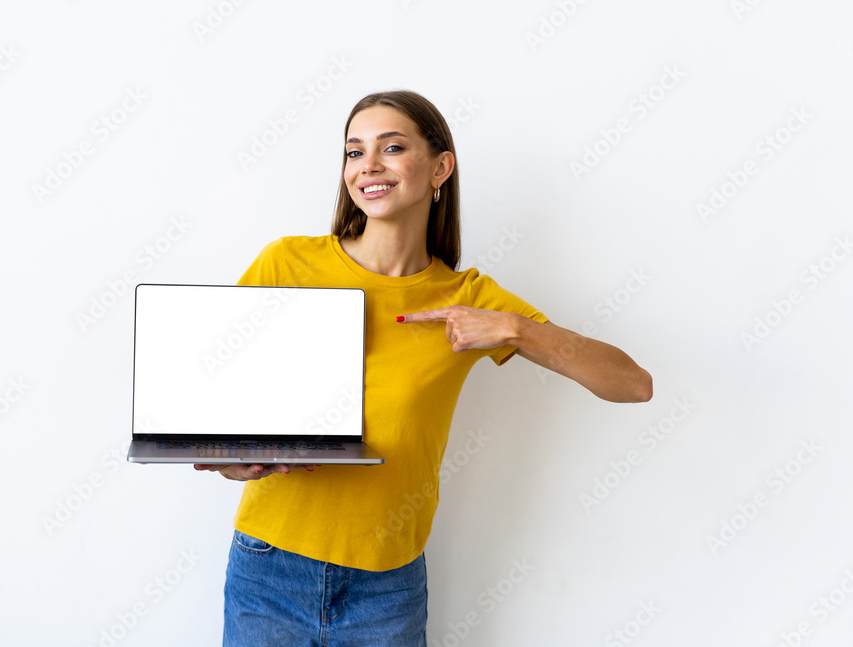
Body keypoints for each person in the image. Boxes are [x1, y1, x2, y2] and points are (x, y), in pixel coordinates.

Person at [195, 90, 652, 646]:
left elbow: (632, 384)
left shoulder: (467, 297)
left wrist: (514, 329)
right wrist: (230, 463)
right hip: (269, 567)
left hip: (387, 588)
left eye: (391, 147)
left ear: (440, 167)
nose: (369, 166)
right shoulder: (288, 263)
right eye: (353, 152)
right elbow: (215, 412)